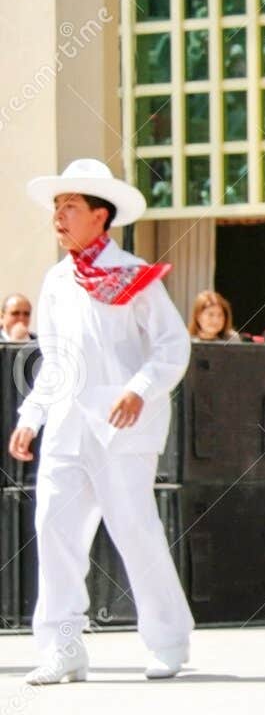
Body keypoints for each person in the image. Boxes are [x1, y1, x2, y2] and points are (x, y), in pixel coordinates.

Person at [9, 158, 194, 683]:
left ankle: (168, 641)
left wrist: (140, 389)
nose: (59, 216)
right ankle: (62, 648)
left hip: (122, 428)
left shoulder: (135, 275)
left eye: (70, 206)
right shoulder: (56, 280)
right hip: (67, 427)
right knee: (54, 530)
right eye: (56, 206)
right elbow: (54, 358)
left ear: (100, 215)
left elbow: (172, 345)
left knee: (135, 530)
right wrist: (32, 416)